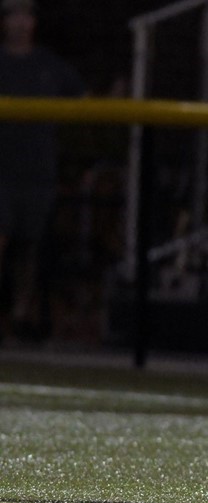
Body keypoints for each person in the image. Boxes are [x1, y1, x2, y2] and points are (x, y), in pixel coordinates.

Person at [0, 0, 85, 343]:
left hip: (37, 174)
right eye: (13, 16)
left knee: (30, 249)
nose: (20, 23)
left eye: (26, 16)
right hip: (1, 172)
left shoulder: (49, 64)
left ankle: (20, 316)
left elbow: (83, 100)